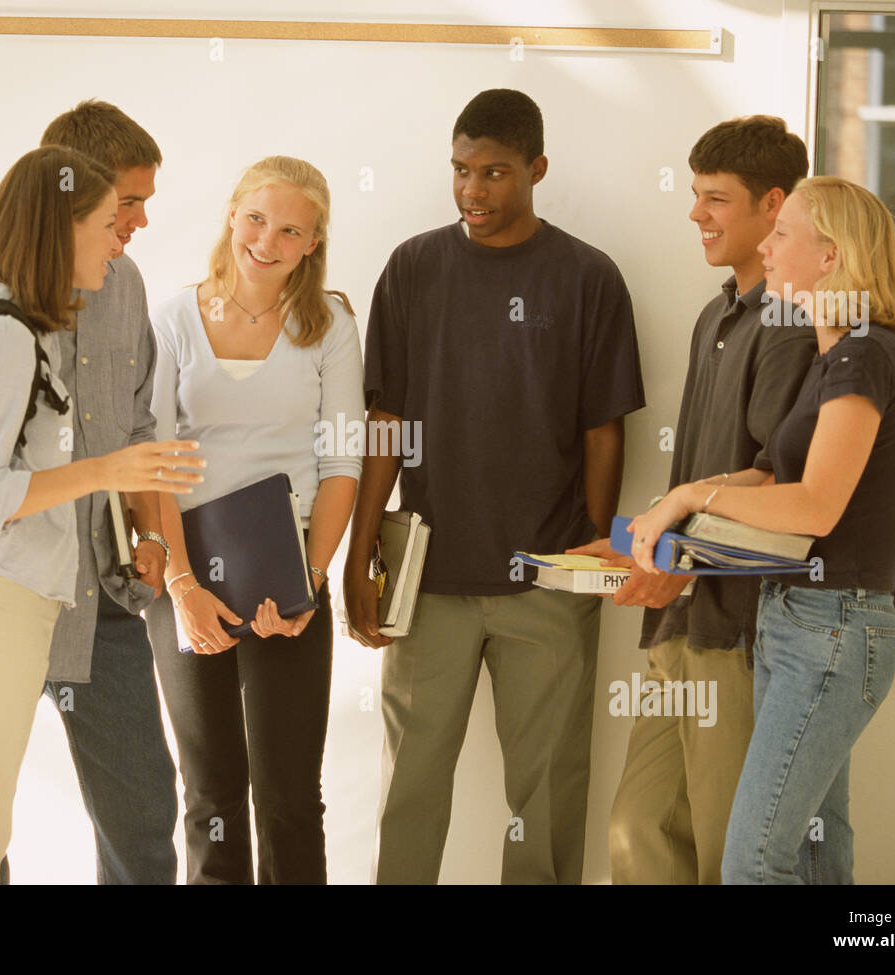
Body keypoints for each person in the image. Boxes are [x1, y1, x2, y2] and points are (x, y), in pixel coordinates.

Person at [344, 89, 645, 885]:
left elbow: (604, 429)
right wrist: (358, 549)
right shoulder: (413, 268)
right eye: (460, 170)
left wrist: (596, 546)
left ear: (537, 169)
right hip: (430, 577)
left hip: (549, 578)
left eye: (494, 173)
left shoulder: (588, 277)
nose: (472, 190)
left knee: (545, 799)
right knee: (409, 786)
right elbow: (386, 420)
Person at [0, 101, 187, 885]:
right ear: (70, 194)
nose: (141, 222)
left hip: (102, 597)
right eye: (127, 203)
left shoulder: (123, 287)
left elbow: (138, 426)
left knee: (143, 817)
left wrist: (152, 540)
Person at [627, 176, 895, 884]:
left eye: (783, 232)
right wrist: (673, 504)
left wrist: (694, 494)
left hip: (830, 630)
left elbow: (815, 506)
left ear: (831, 256)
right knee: (821, 856)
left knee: (754, 864)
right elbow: (770, 478)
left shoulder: (861, 354)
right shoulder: (836, 358)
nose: (766, 244)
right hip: (803, 626)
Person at [573, 116, 814, 884]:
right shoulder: (718, 315)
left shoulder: (789, 323)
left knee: (725, 850)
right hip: (675, 617)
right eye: (694, 195)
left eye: (715, 199)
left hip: (738, 628)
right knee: (637, 830)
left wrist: (674, 549)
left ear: (773, 205)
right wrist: (637, 536)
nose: (695, 215)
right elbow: (703, 474)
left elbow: (775, 482)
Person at [149, 155, 364, 884]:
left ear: (313, 242)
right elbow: (150, 464)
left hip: (289, 570)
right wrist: (182, 585)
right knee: (210, 795)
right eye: (255, 218)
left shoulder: (330, 326)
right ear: (231, 215)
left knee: (289, 798)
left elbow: (341, 465)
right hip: (187, 573)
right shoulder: (174, 318)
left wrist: (307, 580)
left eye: (290, 229)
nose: (267, 240)